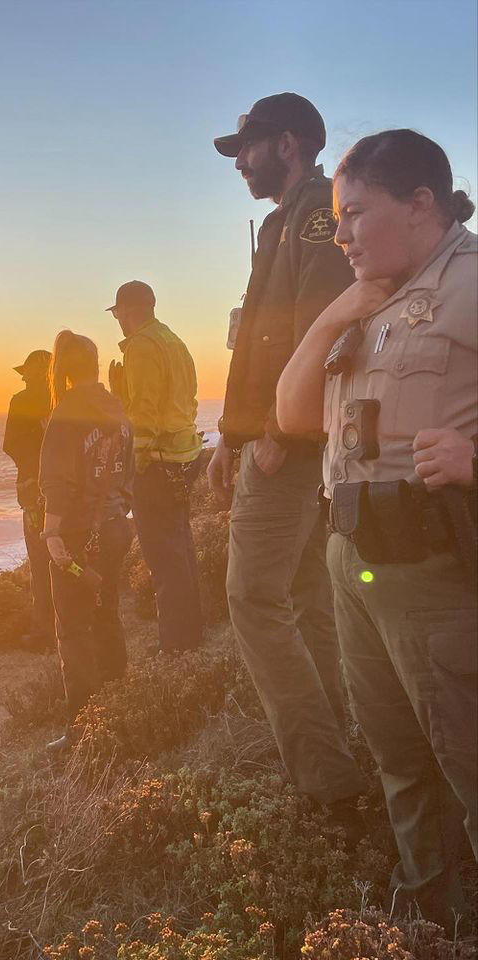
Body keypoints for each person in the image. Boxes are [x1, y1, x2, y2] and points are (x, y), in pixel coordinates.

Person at [276, 128, 477, 932]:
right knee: (397, 752)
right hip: (354, 560)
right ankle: (434, 910)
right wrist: (333, 315)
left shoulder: (470, 283)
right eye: (337, 219)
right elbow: (294, 417)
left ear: (421, 203)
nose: (342, 234)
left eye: (356, 213)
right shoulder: (367, 301)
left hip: (432, 566)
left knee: (467, 755)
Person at [208, 93, 366, 813]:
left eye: (248, 147)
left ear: (289, 144)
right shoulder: (284, 221)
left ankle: (324, 778)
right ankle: (337, 750)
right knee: (305, 596)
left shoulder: (315, 217)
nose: (239, 162)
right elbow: (259, 340)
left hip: (289, 444)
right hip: (274, 438)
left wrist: (278, 433)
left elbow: (322, 334)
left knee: (253, 599)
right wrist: (230, 435)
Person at [39, 331, 134, 751]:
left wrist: (51, 533)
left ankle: (84, 729)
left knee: (73, 630)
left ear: (62, 368)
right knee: (107, 615)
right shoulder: (118, 409)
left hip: (79, 536)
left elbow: (57, 483)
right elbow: (129, 469)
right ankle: (123, 707)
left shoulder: (67, 414)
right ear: (95, 364)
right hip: (115, 527)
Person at [107, 280, 204, 653]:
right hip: (184, 456)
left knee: (162, 556)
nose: (118, 321)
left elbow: (144, 415)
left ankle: (176, 645)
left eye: (117, 313)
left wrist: (131, 466)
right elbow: (188, 399)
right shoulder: (173, 341)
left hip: (158, 462)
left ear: (126, 311)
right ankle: (191, 633)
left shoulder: (141, 346)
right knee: (180, 546)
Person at [3, 349, 54, 651]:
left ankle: (44, 632)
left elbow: (10, 444)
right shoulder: (64, 399)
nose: (23, 379)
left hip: (34, 492)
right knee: (66, 556)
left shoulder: (21, 401)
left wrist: (31, 472)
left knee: (39, 559)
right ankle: (72, 622)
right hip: (65, 489)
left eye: (26, 374)